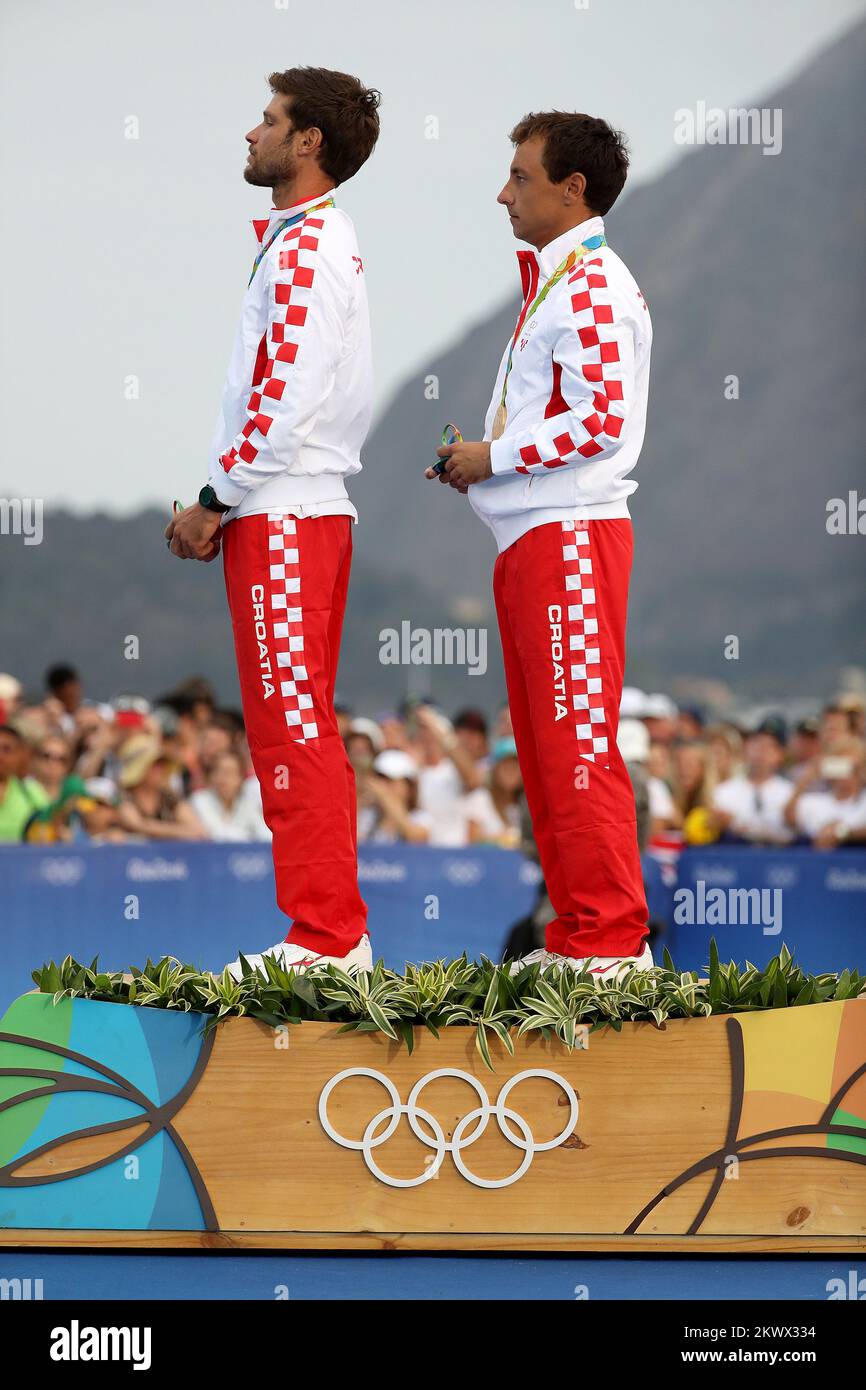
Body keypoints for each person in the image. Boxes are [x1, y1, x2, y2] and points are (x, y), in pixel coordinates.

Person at [426, 111, 653, 978]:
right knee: (548, 751)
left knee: (575, 743)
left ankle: (613, 942)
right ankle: (578, 932)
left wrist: (495, 457)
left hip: (571, 536)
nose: (502, 193)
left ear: (573, 189)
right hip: (535, 537)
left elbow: (603, 421)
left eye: (520, 177)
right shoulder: (558, 282)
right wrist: (487, 462)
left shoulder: (592, 283)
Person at [165, 68, 380, 979]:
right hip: (290, 506)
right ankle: (329, 931)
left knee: (292, 728)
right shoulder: (306, 239)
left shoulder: (308, 246)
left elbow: (283, 398)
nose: (250, 134)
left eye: (267, 120)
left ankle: (327, 937)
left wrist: (215, 498)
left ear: (308, 142)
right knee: (294, 726)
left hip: (282, 509)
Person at [711, 724, 793, 845]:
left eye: (770, 746)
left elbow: (790, 834)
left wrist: (735, 823)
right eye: (757, 744)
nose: (762, 751)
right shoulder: (723, 791)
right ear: (746, 748)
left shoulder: (790, 793)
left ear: (780, 754)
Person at [189, 750, 271, 842]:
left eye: (229, 773)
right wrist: (249, 836)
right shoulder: (199, 800)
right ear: (211, 776)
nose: (223, 778)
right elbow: (214, 834)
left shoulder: (248, 802)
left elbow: (264, 834)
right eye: (218, 772)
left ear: (240, 778)